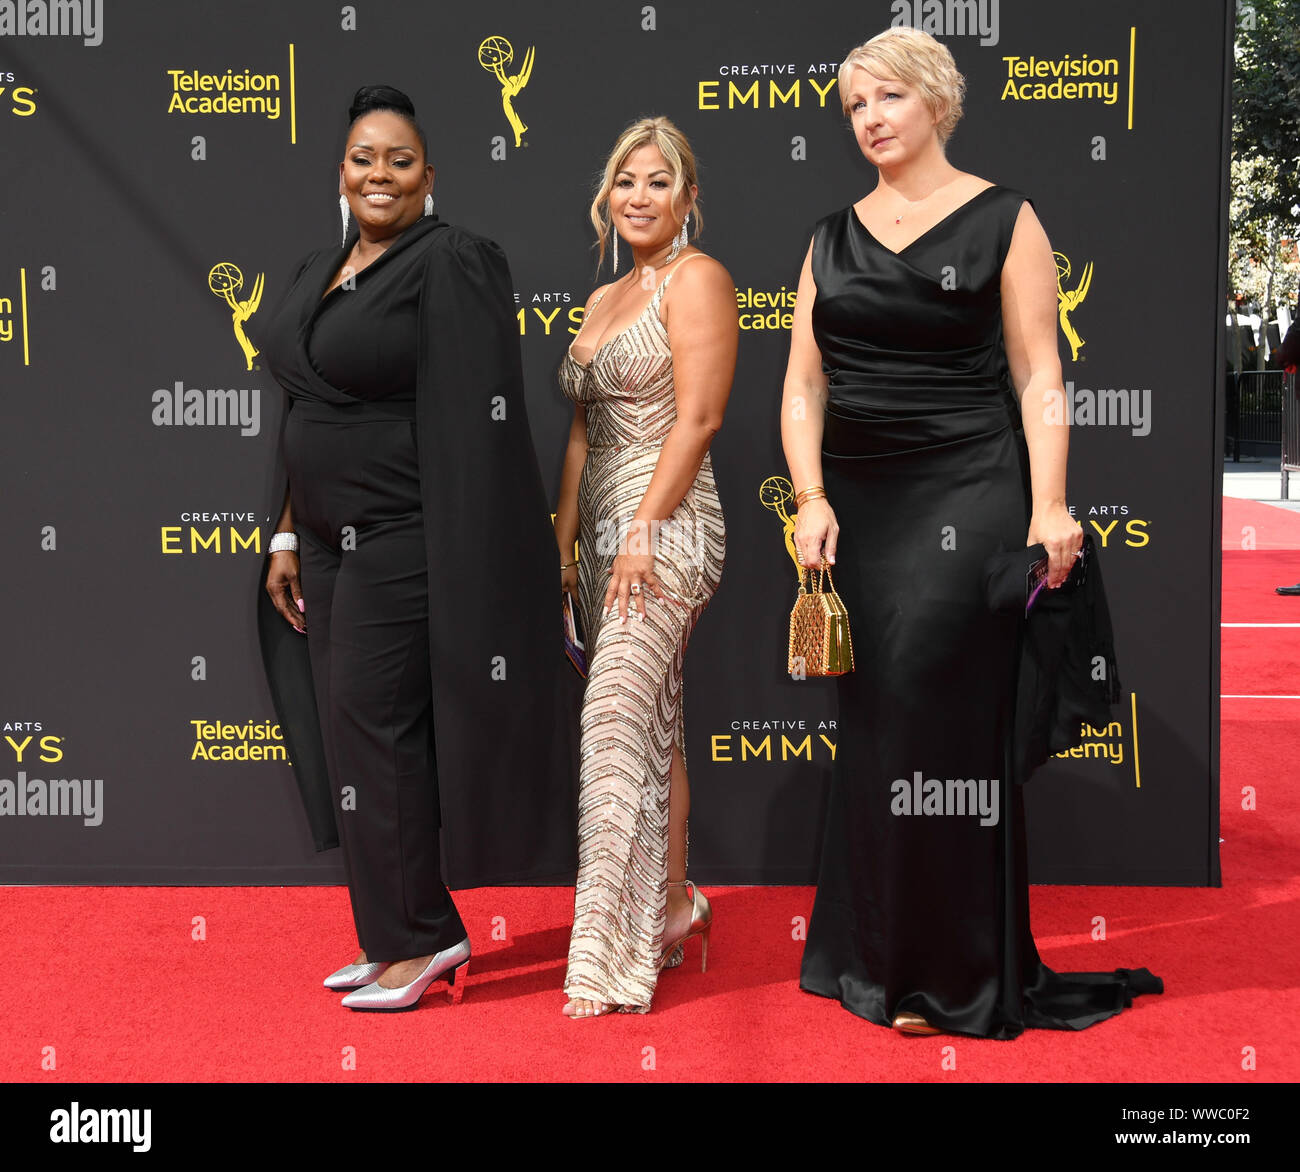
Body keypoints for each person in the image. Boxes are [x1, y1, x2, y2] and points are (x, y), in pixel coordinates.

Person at [780, 29, 1162, 1038]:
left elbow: (1041, 375)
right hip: (859, 503)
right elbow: (802, 386)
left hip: (969, 483)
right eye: (854, 103)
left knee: (936, 715)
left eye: (888, 96)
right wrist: (809, 495)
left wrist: (1048, 505)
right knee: (875, 727)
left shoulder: (1003, 218)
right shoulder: (828, 236)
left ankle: (952, 972)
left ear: (937, 101)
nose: (868, 117)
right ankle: (877, 960)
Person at [254, 85, 573, 1011]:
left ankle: (424, 939)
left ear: (429, 178)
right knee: (350, 732)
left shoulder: (450, 262)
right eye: (363, 158)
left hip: (406, 532)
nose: (379, 174)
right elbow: (300, 406)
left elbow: (482, 421)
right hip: (319, 537)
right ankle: (390, 932)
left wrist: (485, 556)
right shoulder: (321, 266)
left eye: (399, 160)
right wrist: (281, 528)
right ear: (341, 171)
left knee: (377, 723)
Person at [556, 116, 738, 1017]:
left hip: (666, 527)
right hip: (597, 535)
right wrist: (564, 540)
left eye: (658, 182)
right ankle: (671, 907)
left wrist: (640, 531)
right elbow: (583, 431)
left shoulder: (697, 281)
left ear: (687, 198)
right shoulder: (600, 303)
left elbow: (698, 420)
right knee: (653, 715)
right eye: (626, 181)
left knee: (616, 721)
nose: (639, 197)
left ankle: (602, 957)